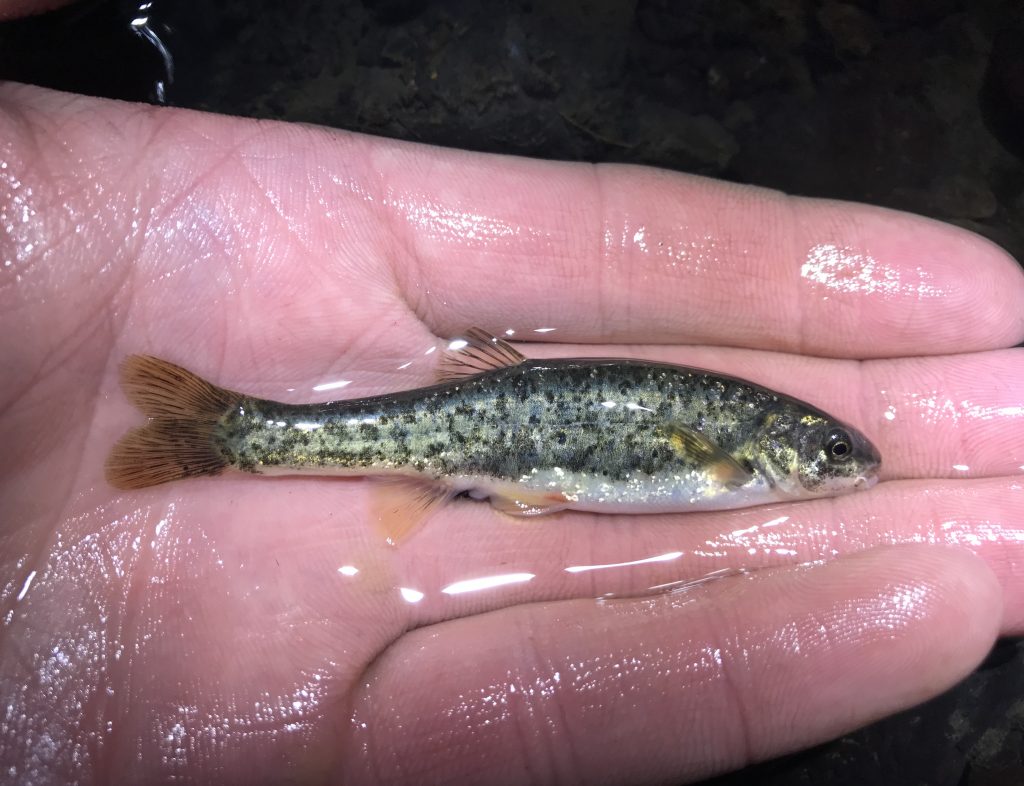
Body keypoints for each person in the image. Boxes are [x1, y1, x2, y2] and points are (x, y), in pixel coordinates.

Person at [1, 6, 1023, 783]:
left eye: (837, 456)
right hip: (492, 434)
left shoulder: (746, 452)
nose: (841, 470)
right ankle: (235, 434)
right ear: (784, 448)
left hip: (493, 430)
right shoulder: (742, 456)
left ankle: (239, 434)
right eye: (833, 457)